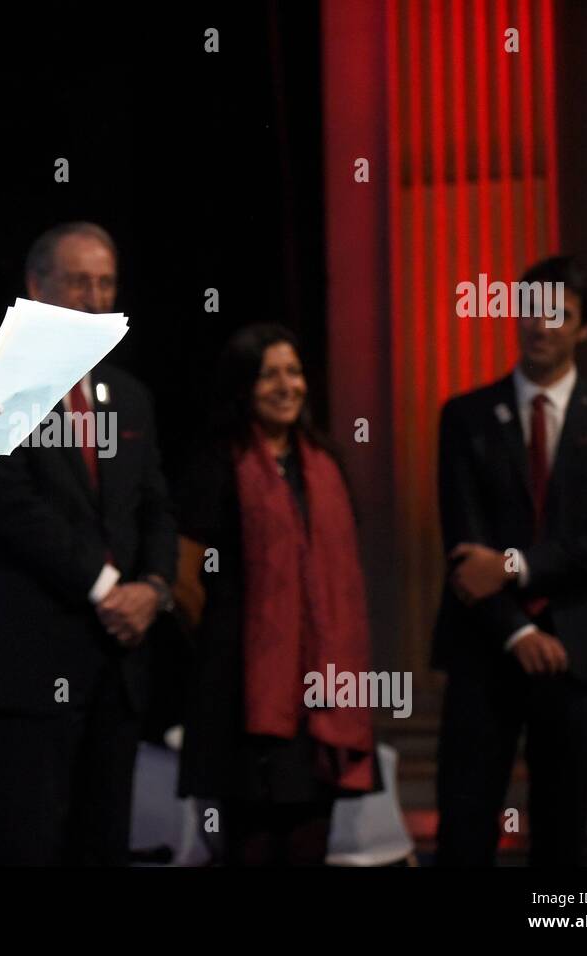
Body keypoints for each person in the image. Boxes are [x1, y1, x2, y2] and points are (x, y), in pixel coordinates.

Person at [0, 222, 178, 866]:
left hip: (119, 666)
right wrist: (109, 589)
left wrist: (155, 590)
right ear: (35, 286)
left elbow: (158, 508)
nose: (95, 296)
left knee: (104, 847)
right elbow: (8, 507)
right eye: (79, 281)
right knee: (28, 847)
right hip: (27, 663)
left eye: (106, 283)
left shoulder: (130, 398)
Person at [433, 255, 587, 866]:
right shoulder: (465, 415)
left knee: (561, 837)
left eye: (561, 314)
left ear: (584, 329)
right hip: (485, 645)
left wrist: (513, 567)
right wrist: (518, 629)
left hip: (581, 651)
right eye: (531, 310)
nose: (542, 324)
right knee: (465, 828)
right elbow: (462, 546)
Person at [175, 322, 377, 866]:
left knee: (311, 843)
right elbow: (185, 579)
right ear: (242, 386)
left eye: (294, 371)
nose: (286, 385)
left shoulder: (325, 462)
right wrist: (229, 651)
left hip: (318, 694)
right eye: (269, 375)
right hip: (244, 699)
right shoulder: (217, 462)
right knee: (253, 848)